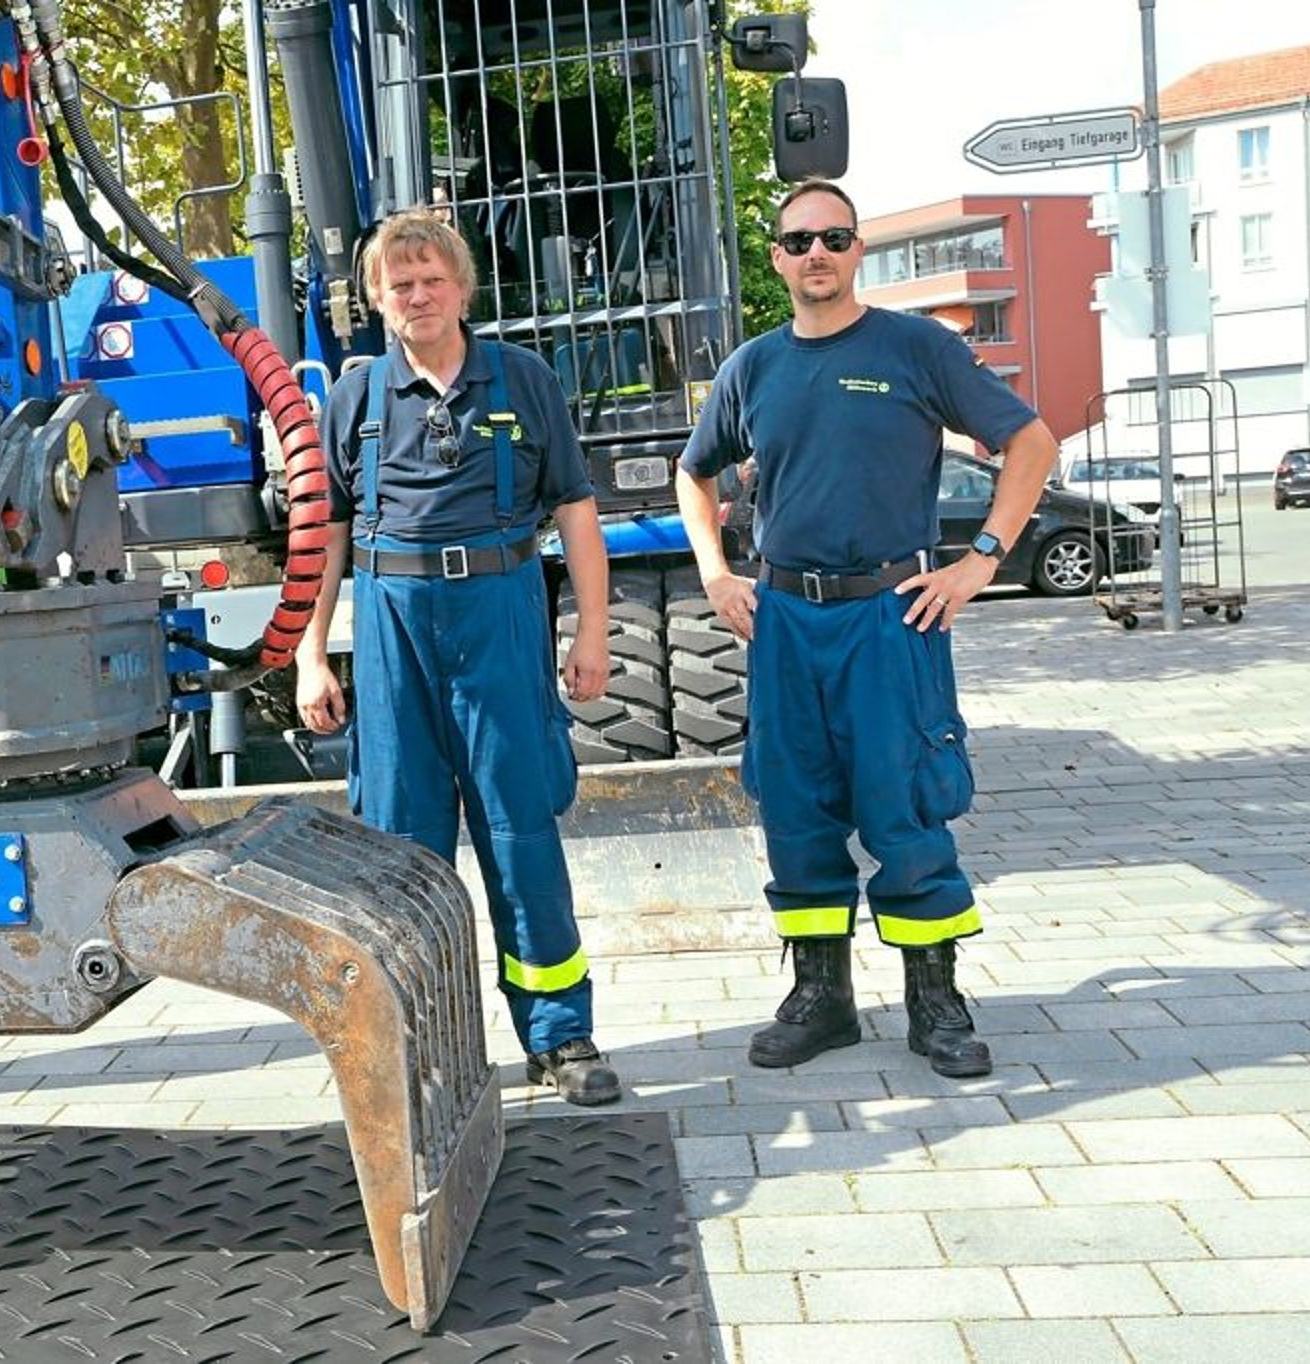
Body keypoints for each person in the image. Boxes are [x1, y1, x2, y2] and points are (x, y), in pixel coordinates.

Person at [676, 180, 1059, 1078]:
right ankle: (823, 1000)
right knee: (795, 807)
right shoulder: (753, 368)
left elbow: (1032, 443)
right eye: (800, 240)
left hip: (891, 618)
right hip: (785, 623)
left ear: (858, 252)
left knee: (906, 803)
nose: (818, 253)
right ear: (776, 258)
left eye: (835, 239)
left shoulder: (915, 347)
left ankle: (935, 1001)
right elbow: (694, 475)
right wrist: (716, 574)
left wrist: (983, 558)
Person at [295, 210, 622, 1106]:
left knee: (520, 834)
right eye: (399, 284)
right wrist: (311, 655)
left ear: (462, 286)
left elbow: (576, 515)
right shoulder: (354, 401)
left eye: (432, 278)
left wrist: (590, 633)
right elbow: (325, 535)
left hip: (501, 614)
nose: (418, 295)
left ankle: (562, 1038)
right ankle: (422, 1054)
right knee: (403, 850)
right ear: (375, 300)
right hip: (393, 623)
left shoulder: (523, 380)